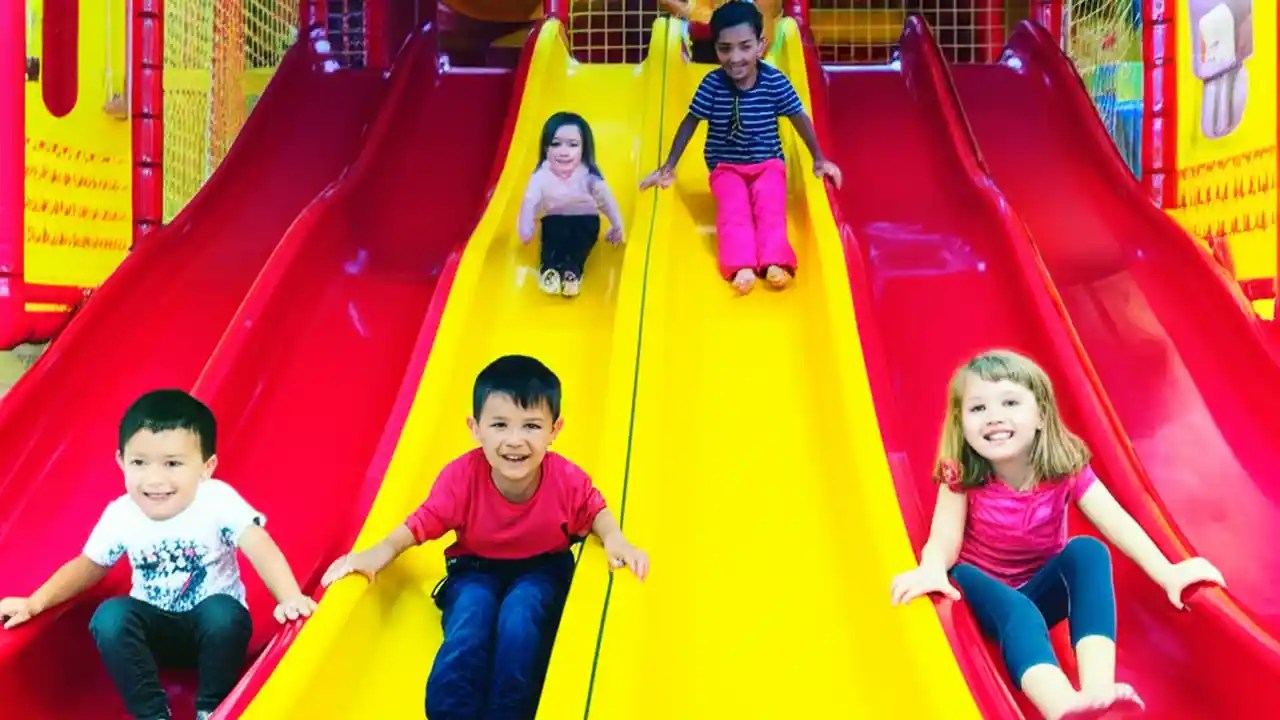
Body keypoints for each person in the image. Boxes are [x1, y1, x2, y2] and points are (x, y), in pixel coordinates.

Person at [889, 350, 1225, 720]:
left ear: (1041, 416)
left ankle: (1098, 690)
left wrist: (1169, 573)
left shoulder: (1064, 470)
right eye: (978, 408)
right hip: (978, 594)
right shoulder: (963, 473)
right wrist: (932, 568)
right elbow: (945, 538)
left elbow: (1115, 521)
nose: (995, 416)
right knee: (1017, 609)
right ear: (961, 423)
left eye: (1011, 402)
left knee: (1088, 551)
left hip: (1038, 589)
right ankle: (1058, 705)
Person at [321, 354, 649, 719]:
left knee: (520, 616)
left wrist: (615, 539)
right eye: (499, 425)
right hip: (474, 569)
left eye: (531, 426)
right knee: (472, 617)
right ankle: (452, 712)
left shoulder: (566, 479)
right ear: (475, 428)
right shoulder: (461, 478)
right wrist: (375, 554)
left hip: (542, 568)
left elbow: (594, 508)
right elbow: (420, 524)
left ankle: (509, 712)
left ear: (555, 430)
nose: (514, 441)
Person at [0, 389, 317, 720]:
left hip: (214, 637)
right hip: (154, 638)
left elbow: (259, 544)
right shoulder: (121, 513)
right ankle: (151, 714)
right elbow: (89, 565)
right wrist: (34, 602)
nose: (154, 479)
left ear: (206, 467)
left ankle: (213, 707)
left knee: (224, 613)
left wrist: (289, 596)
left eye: (173, 464)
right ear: (121, 461)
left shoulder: (217, 500)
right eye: (139, 463)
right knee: (110, 617)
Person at [640, 0, 842, 295]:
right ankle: (740, 265)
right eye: (725, 48)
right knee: (733, 211)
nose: (736, 58)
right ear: (716, 48)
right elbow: (690, 123)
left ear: (761, 46)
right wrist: (668, 167)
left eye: (745, 47)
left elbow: (799, 118)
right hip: (726, 167)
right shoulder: (712, 85)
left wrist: (819, 159)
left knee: (770, 206)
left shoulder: (774, 83)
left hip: (768, 163)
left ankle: (775, 261)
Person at [518, 112, 624, 298]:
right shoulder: (541, 175)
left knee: (579, 244)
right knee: (551, 240)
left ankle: (572, 270)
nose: (564, 151)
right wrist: (526, 227)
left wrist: (617, 226)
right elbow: (530, 200)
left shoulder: (588, 175)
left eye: (573, 145)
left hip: (586, 219)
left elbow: (606, 200)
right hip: (554, 218)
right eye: (556, 144)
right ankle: (549, 269)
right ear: (545, 148)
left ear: (584, 149)